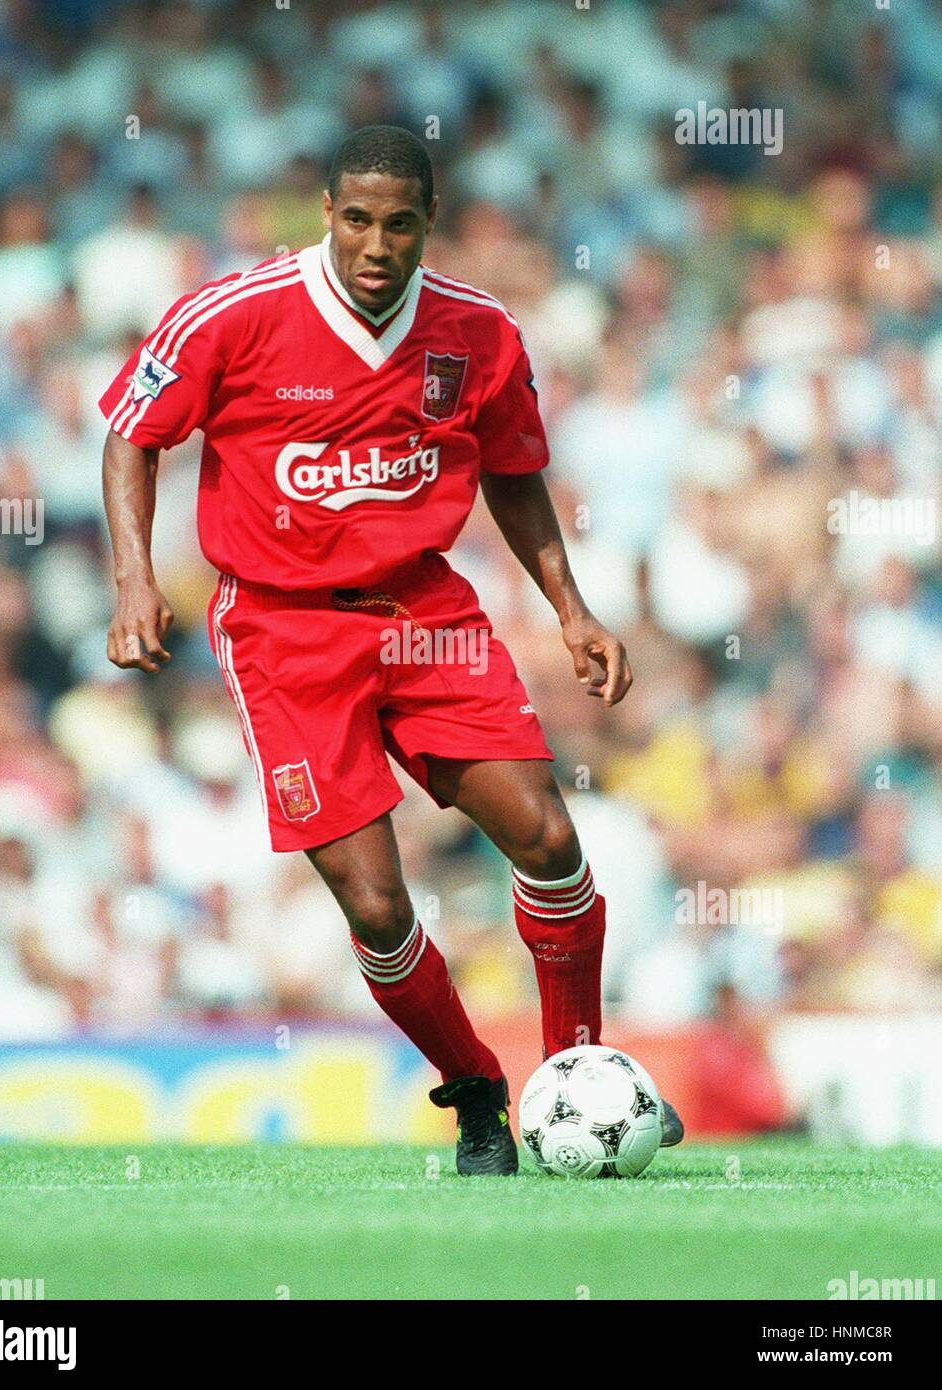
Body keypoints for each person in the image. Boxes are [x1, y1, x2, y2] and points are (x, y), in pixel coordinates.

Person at [100, 125, 682, 1174]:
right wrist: (137, 579)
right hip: (281, 626)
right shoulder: (233, 315)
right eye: (358, 218)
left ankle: (577, 1075)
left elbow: (511, 469)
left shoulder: (479, 333)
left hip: (426, 615)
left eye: (400, 222)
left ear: (428, 225)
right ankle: (474, 1093)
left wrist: (574, 608)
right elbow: (133, 433)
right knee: (376, 904)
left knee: (548, 838)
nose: (377, 242)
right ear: (327, 213)